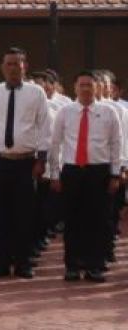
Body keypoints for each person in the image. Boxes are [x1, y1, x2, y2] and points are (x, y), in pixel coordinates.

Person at [0, 48, 51, 278]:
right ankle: (1, 260)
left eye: (17, 64)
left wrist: (41, 159)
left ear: (24, 66)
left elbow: (44, 127)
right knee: (1, 214)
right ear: (2, 67)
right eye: (9, 64)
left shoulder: (36, 92)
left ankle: (23, 262)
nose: (13, 68)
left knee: (25, 215)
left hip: (26, 163)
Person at [48, 71, 124, 282]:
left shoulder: (109, 112)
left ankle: (95, 266)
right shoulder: (65, 112)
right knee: (72, 220)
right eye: (82, 85)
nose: (86, 89)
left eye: (90, 85)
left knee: (97, 220)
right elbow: (55, 144)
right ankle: (72, 266)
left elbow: (116, 145)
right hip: (72, 171)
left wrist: (115, 174)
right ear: (75, 88)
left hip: (98, 171)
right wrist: (54, 173)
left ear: (97, 88)